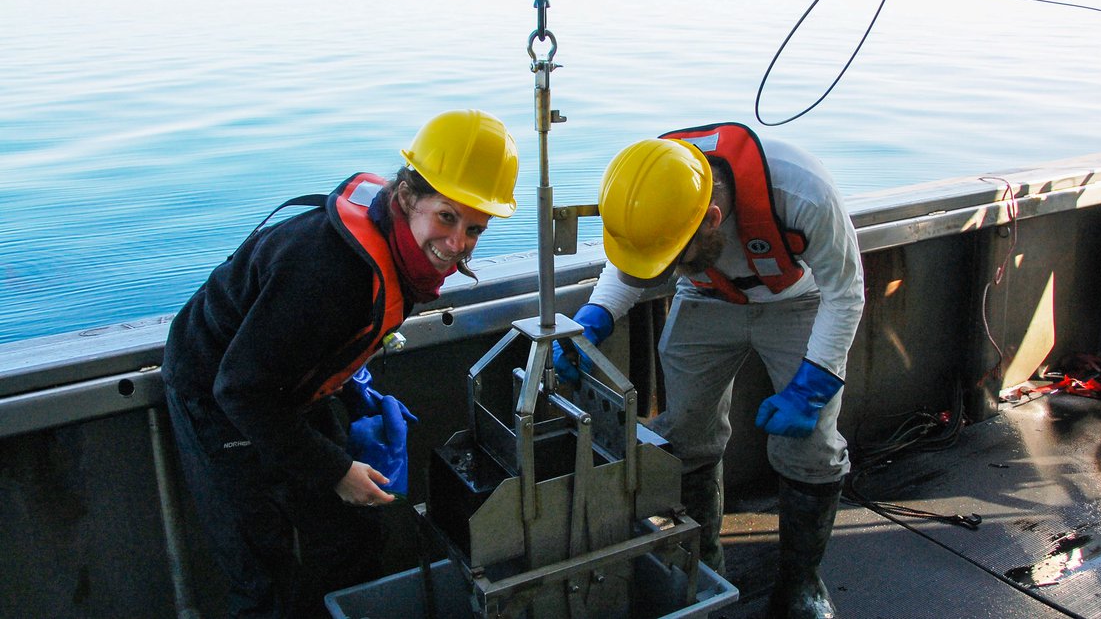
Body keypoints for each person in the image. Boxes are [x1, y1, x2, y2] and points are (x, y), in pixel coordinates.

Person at [161, 109, 519, 617]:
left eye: (475, 229)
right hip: (216, 389)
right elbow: (239, 389)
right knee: (262, 568)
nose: (457, 244)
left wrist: (352, 385)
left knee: (352, 535)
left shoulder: (405, 253)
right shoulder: (327, 271)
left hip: (286, 384)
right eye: (447, 216)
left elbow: (330, 339)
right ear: (406, 197)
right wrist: (335, 469)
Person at [554, 122, 864, 618]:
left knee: (813, 446)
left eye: (677, 256)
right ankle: (702, 565)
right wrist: (597, 315)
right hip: (706, 297)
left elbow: (846, 293)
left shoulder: (801, 190)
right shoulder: (656, 183)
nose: (666, 268)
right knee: (686, 432)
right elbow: (637, 255)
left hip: (799, 302)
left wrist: (813, 385)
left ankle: (802, 583)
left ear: (713, 218)